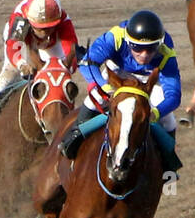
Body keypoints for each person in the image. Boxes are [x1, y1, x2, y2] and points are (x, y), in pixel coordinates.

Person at [59, 10, 183, 173]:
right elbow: (88, 63)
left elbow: (174, 95)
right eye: (138, 48)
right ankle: (74, 139)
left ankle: (168, 169)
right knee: (94, 99)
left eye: (151, 49)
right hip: (118, 75)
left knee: (168, 120)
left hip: (148, 81)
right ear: (129, 42)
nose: (144, 55)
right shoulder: (115, 36)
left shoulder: (166, 51)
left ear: (159, 45)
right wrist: (103, 87)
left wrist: (156, 113)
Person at [0, 0, 78, 132]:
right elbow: (13, 47)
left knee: (59, 76)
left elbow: (71, 50)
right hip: (23, 41)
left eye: (49, 28)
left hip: (52, 44)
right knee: (8, 74)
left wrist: (65, 68)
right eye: (41, 29)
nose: (45, 33)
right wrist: (21, 64)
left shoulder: (63, 20)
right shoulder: (21, 17)